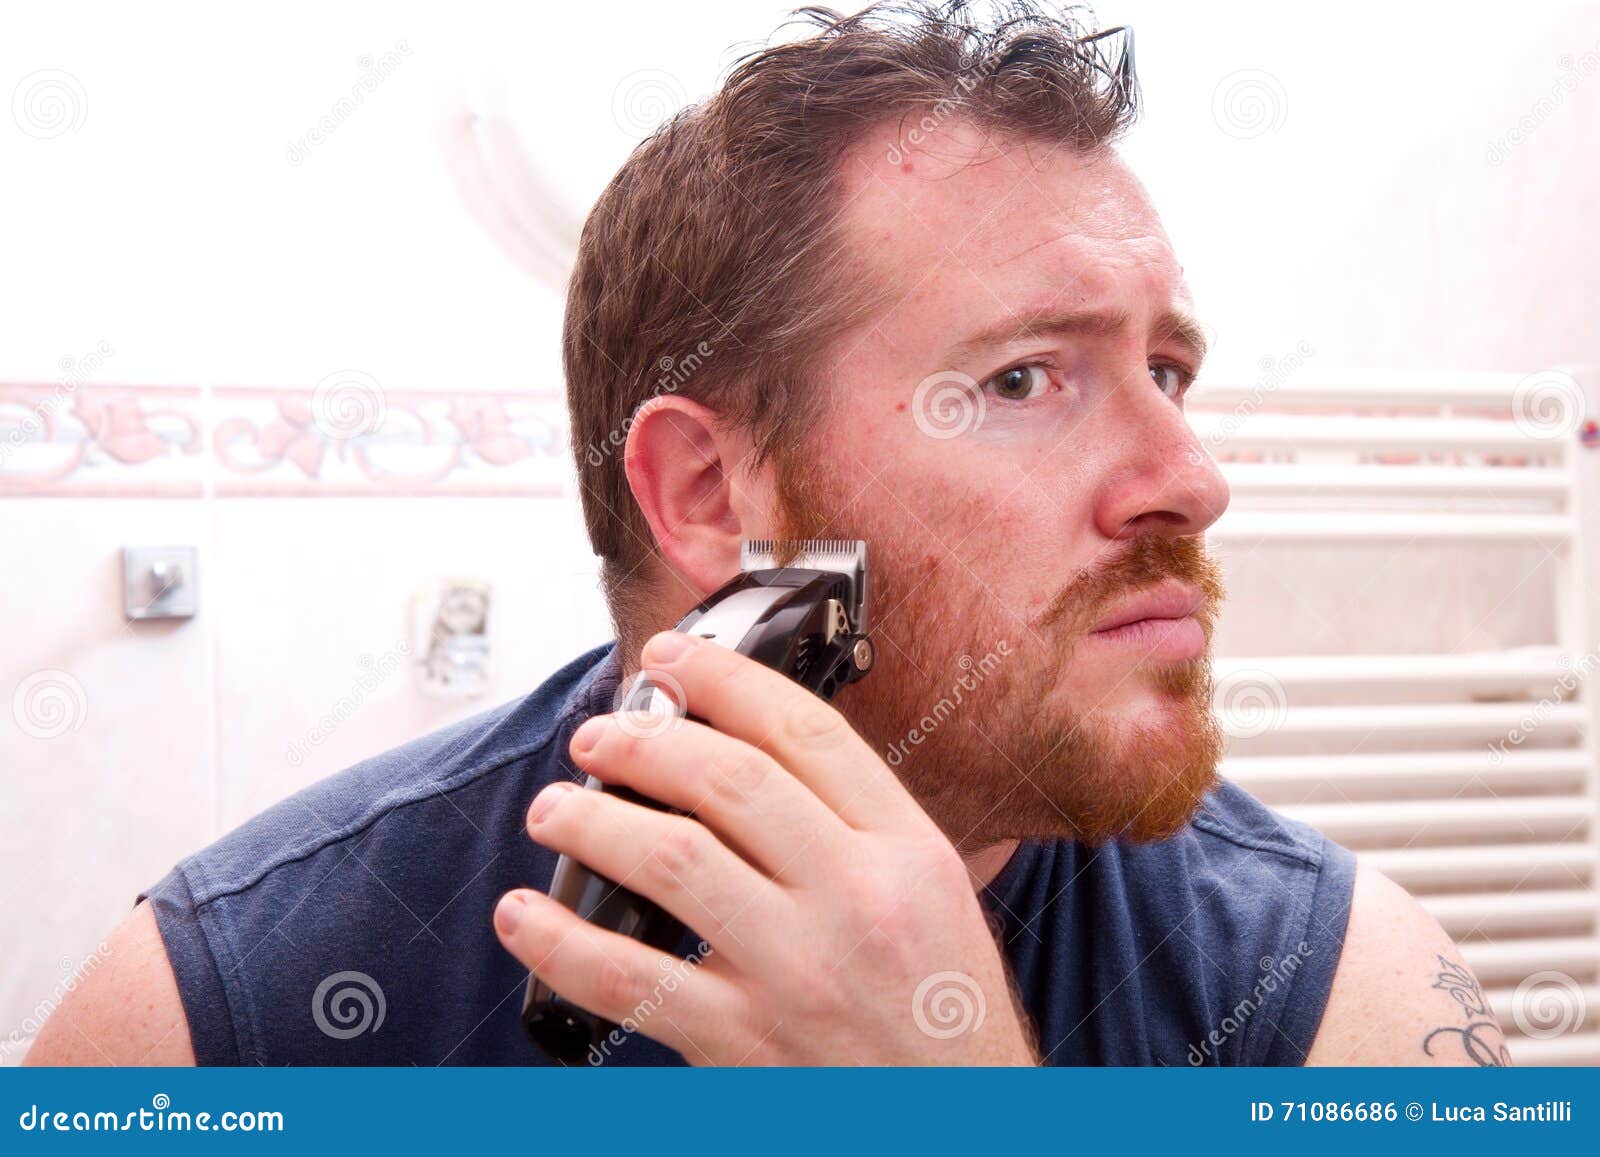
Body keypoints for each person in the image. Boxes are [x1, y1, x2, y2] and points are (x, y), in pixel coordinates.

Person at [27, 1, 1510, 1067]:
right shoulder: (232, 1009)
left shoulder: (1333, 999)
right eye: (1021, 378)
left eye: (1167, 372)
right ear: (707, 498)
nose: (1191, 475)